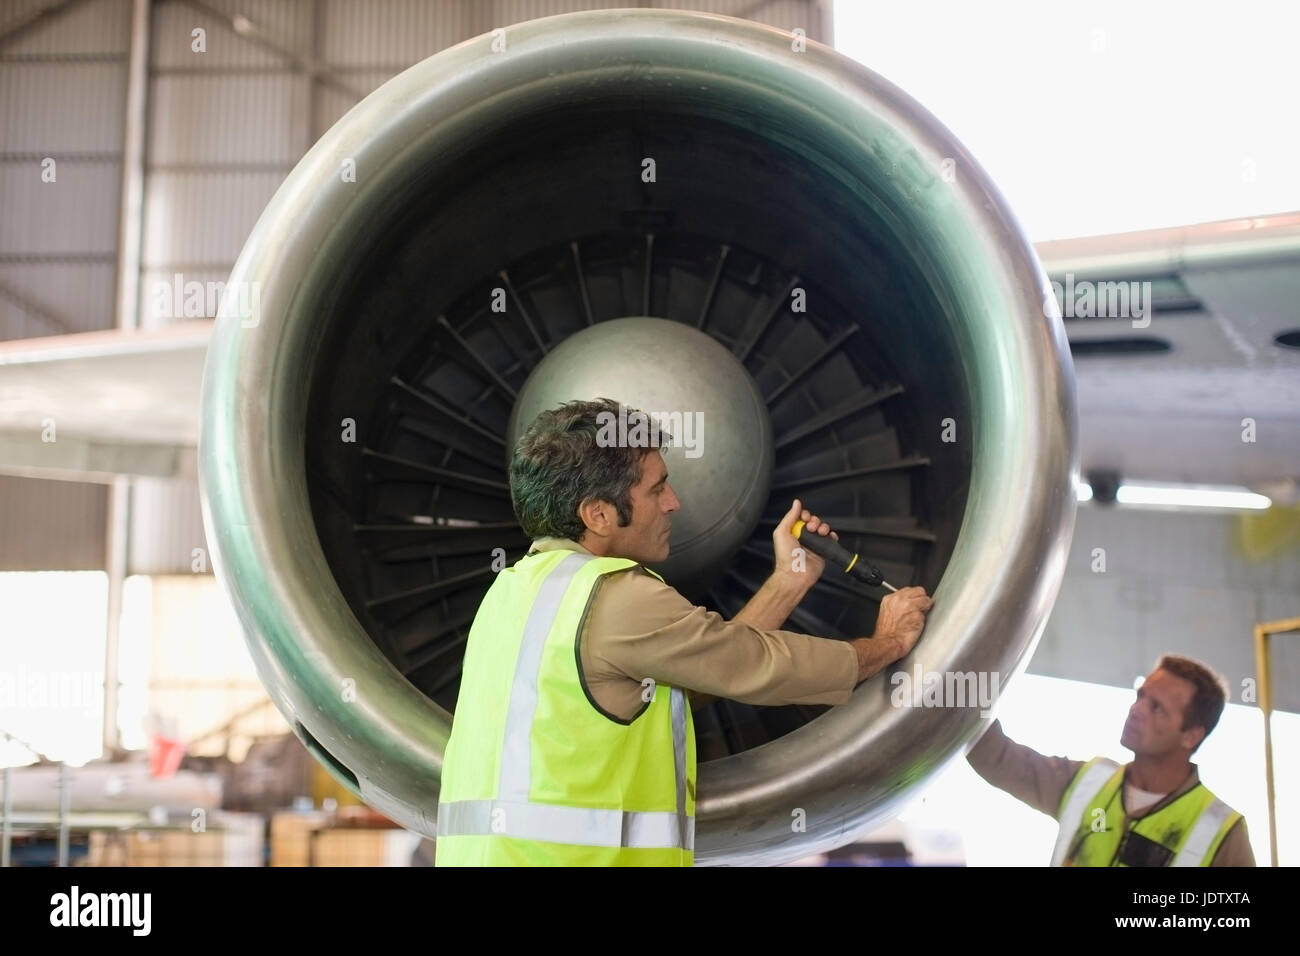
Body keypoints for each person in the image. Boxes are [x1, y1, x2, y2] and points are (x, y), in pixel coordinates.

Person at [435, 397, 933, 866]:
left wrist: (787, 582)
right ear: (598, 514)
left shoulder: (512, 592)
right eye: (656, 488)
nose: (673, 502)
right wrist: (889, 642)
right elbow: (756, 667)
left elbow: (700, 671)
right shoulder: (613, 595)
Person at [967, 654, 1255, 866]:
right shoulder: (1087, 782)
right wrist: (962, 681)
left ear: (1191, 736)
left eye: (1157, 708)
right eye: (1141, 696)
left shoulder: (1222, 831)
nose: (1136, 709)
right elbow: (997, 759)